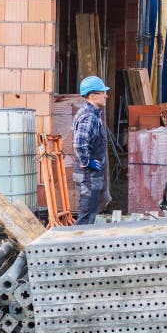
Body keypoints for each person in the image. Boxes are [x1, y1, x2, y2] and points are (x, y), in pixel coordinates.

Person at [72, 76, 109, 225]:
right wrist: (87, 162)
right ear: (93, 95)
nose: (106, 95)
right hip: (88, 176)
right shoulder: (89, 117)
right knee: (86, 217)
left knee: (90, 213)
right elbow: (80, 143)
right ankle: (77, 245)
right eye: (102, 92)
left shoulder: (92, 114)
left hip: (90, 176)